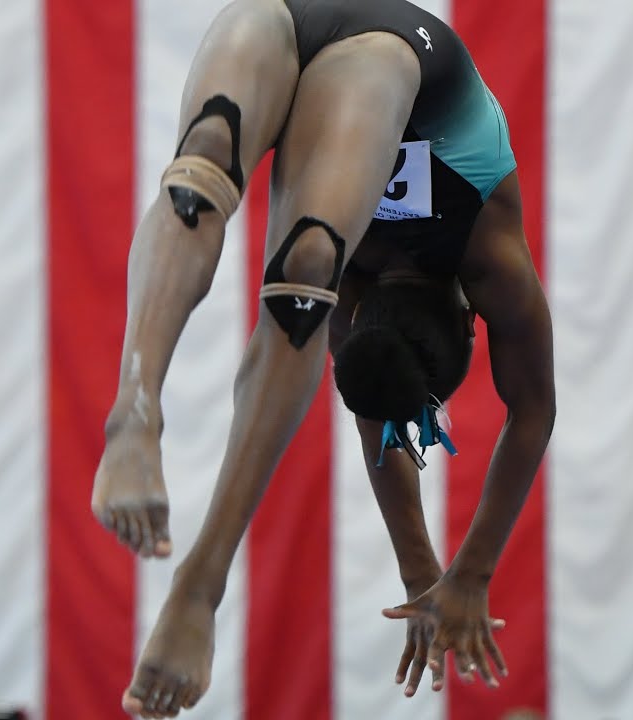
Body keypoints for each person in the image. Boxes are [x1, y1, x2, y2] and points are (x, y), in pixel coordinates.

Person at [88, 0, 555, 716]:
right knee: (304, 284)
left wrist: (435, 572)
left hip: (283, 15)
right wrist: (466, 574)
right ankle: (201, 582)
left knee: (202, 170)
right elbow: (529, 412)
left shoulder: (482, 267)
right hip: (387, 60)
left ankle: (136, 402)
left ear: (467, 326)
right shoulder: (482, 251)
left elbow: (523, 413)